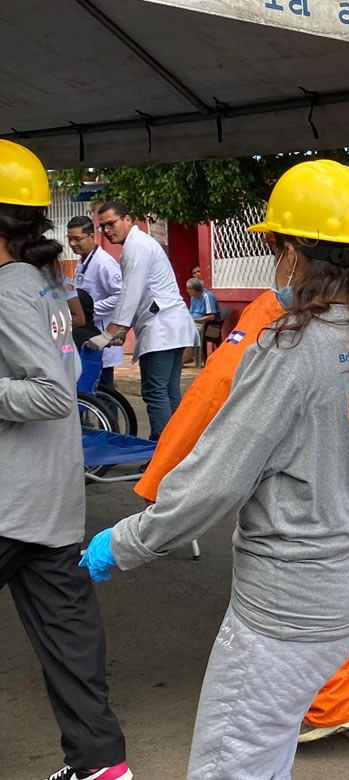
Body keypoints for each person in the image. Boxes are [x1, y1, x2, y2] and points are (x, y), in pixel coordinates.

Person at [79, 160, 349, 778]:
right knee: (268, 753)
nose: (272, 261)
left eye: (273, 246)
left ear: (294, 253)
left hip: (286, 608)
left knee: (230, 767)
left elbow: (216, 481)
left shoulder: (287, 349)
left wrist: (123, 542)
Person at [0, 139, 132, 780]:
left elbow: (51, 394)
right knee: (70, 642)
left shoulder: (8, 289)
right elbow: (68, 368)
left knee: (71, 640)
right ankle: (101, 765)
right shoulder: (48, 285)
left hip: (9, 500)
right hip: (50, 498)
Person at [87, 201, 194, 439]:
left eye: (111, 224)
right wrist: (122, 332)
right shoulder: (139, 245)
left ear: (128, 219)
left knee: (155, 392)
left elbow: (130, 293)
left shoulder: (137, 246)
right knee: (168, 392)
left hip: (163, 328)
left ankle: (160, 452)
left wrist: (110, 332)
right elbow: (140, 294)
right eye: (102, 227)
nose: (106, 230)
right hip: (170, 325)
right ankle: (175, 450)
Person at [66, 216, 123, 387]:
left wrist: (91, 309)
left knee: (103, 390)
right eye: (69, 239)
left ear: (92, 236)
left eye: (77, 239)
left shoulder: (104, 263)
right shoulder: (82, 261)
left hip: (100, 332)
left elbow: (120, 296)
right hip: (86, 334)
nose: (72, 244)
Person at [185, 277, 219, 366]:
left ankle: (186, 358)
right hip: (195, 322)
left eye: (189, 289)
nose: (187, 291)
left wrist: (196, 320)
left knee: (190, 332)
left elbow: (212, 316)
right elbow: (191, 312)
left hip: (205, 323)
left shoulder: (207, 296)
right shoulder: (193, 297)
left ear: (195, 290)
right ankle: (185, 357)